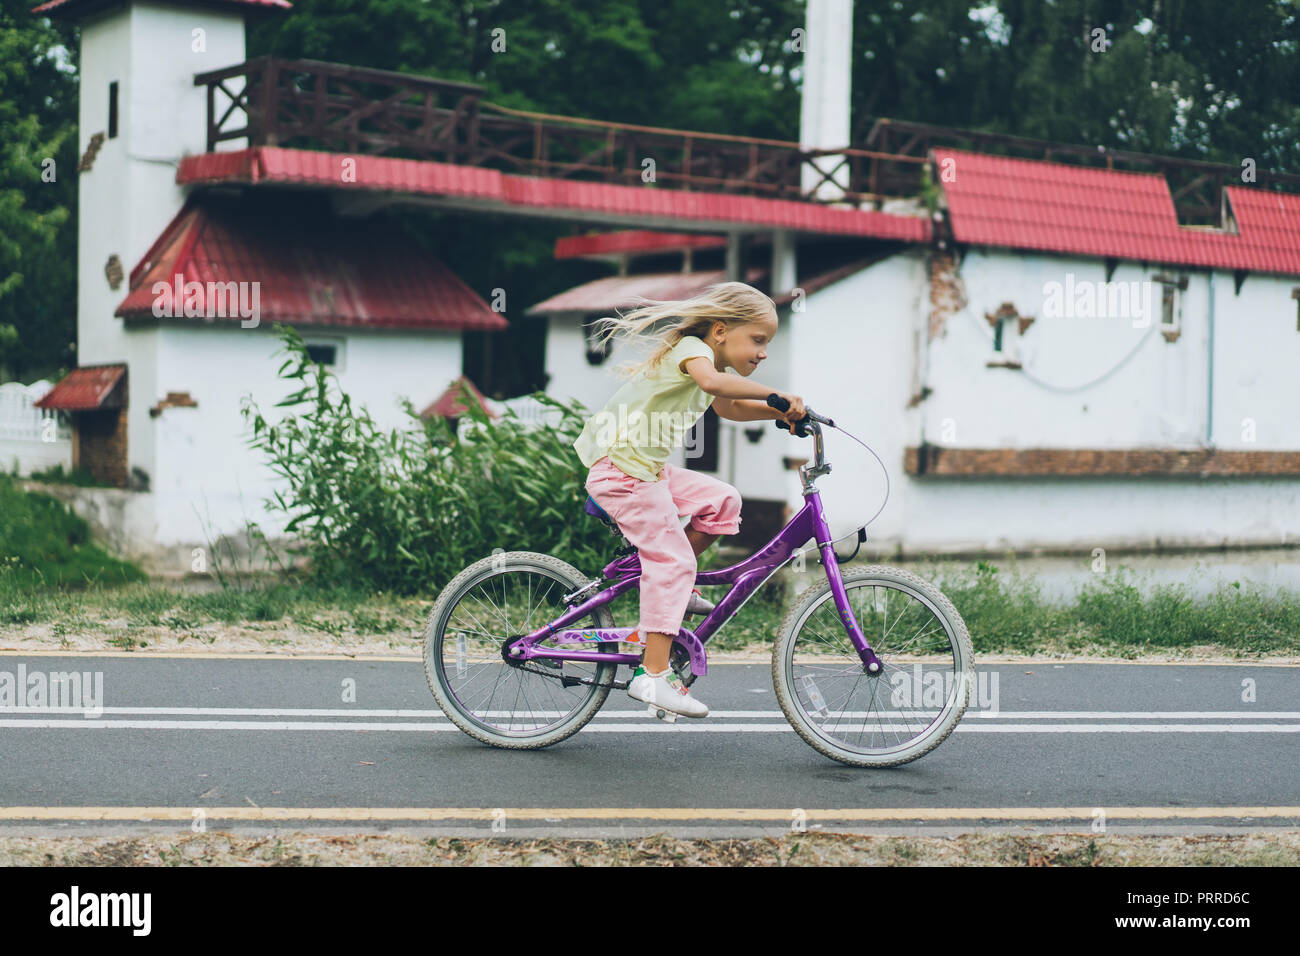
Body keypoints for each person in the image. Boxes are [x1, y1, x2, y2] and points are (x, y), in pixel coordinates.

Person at [573, 281, 806, 718]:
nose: (764, 352)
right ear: (720, 330)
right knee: (673, 562)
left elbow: (729, 406)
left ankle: (672, 584)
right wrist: (776, 395)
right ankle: (652, 676)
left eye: (768, 344)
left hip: (647, 472)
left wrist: (784, 414)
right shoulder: (692, 351)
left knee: (723, 502)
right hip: (621, 472)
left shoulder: (712, 364)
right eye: (758, 339)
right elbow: (713, 381)